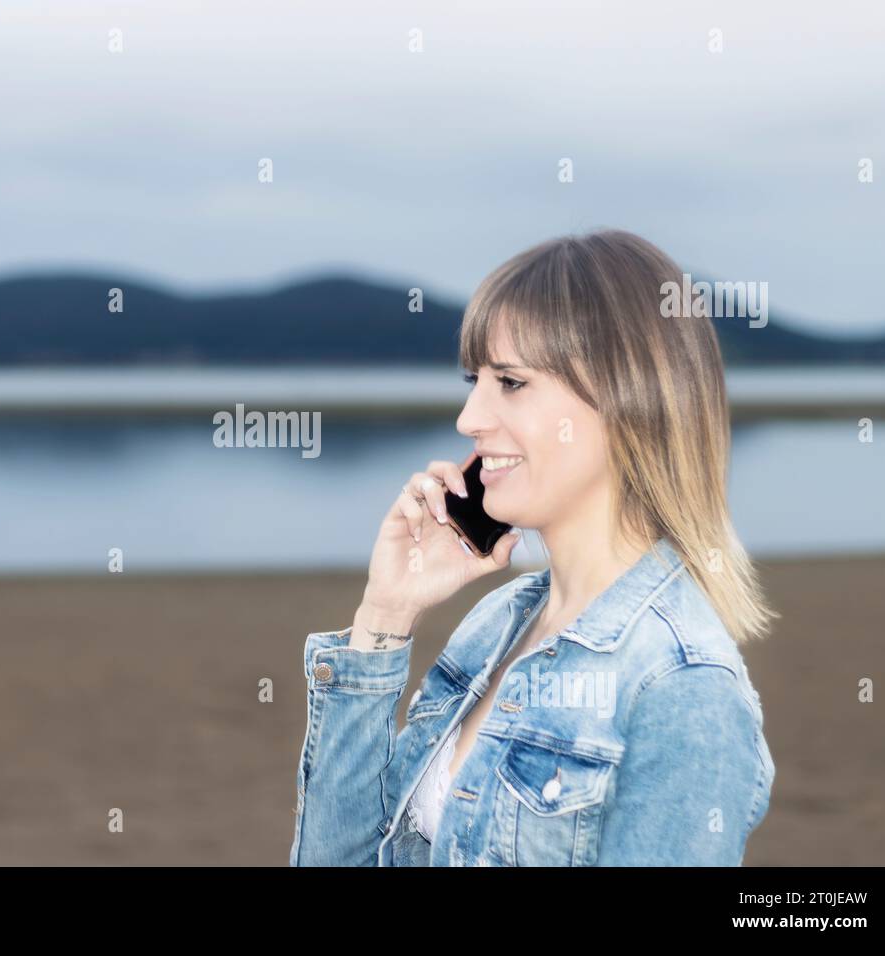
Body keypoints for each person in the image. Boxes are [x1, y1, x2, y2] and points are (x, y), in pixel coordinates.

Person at [289, 229, 776, 866]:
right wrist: (385, 615)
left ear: (629, 398)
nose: (469, 418)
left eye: (511, 382)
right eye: (475, 379)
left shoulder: (681, 685)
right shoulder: (503, 619)